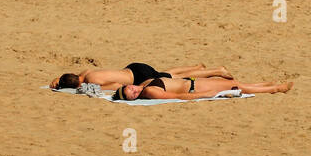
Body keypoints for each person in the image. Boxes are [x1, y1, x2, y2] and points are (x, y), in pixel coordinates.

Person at [51, 63, 235, 92]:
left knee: (175, 78)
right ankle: (198, 66)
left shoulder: (92, 81)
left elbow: (115, 84)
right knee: (167, 73)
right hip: (133, 67)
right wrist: (57, 82)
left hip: (138, 77)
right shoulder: (86, 73)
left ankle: (217, 70)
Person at [119, 76, 293, 101]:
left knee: (234, 81)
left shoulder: (143, 86)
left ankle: (267, 85)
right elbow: (178, 97)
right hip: (196, 87)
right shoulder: (150, 92)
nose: (134, 91)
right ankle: (276, 89)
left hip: (195, 82)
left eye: (130, 88)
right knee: (238, 86)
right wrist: (205, 95)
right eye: (132, 94)